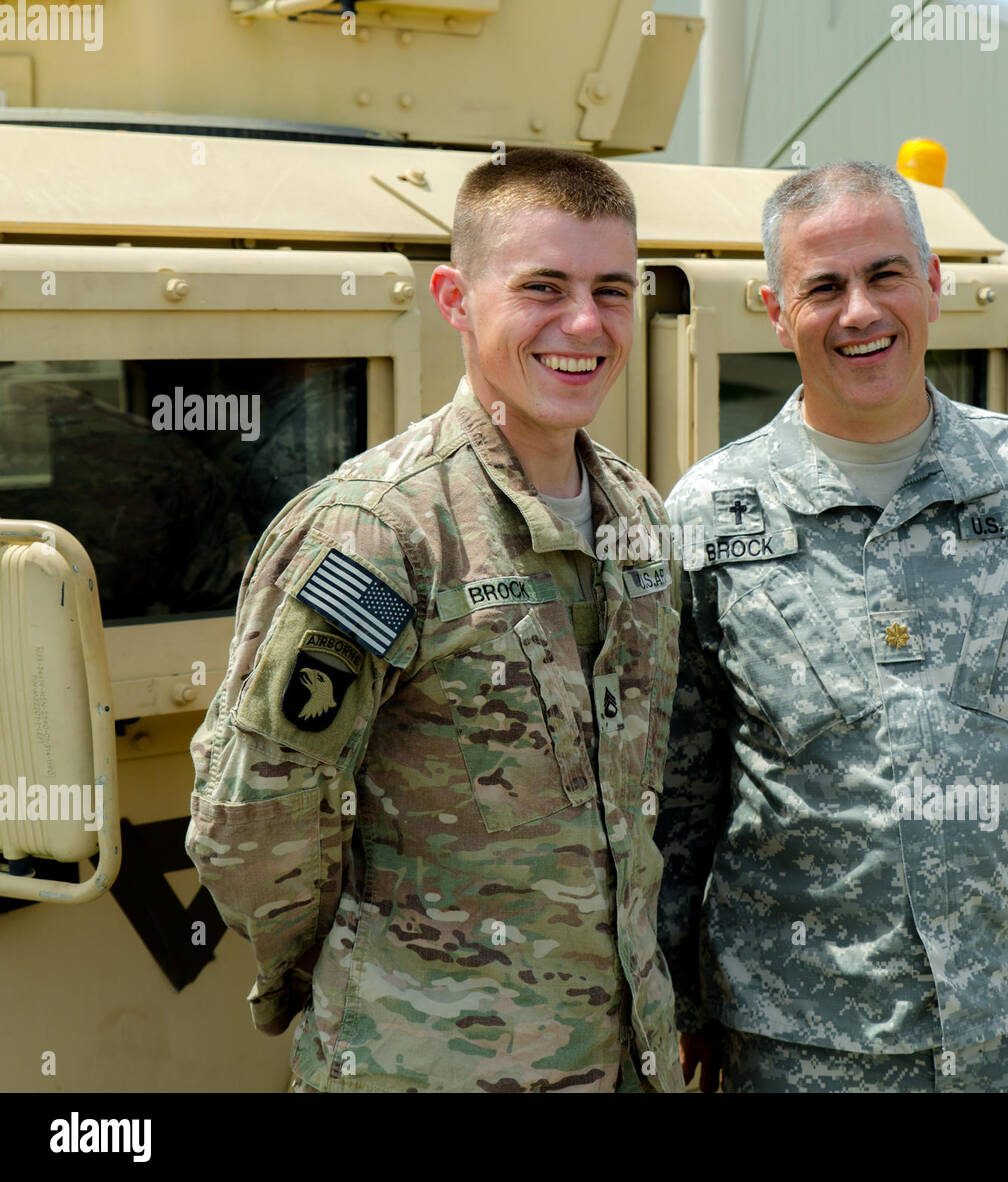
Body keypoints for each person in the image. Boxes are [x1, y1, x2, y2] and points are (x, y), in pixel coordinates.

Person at [657, 161, 1008, 1093]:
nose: (860, 311)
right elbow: (680, 786)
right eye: (823, 287)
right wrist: (674, 992)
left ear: (935, 284)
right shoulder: (711, 515)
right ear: (776, 311)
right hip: (797, 1045)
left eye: (886, 274)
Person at [186, 147, 684, 1093]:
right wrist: (359, 974)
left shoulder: (639, 519)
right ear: (456, 298)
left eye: (612, 290)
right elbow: (251, 822)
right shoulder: (381, 531)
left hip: (621, 1064)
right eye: (543, 287)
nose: (585, 324)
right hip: (425, 1065)